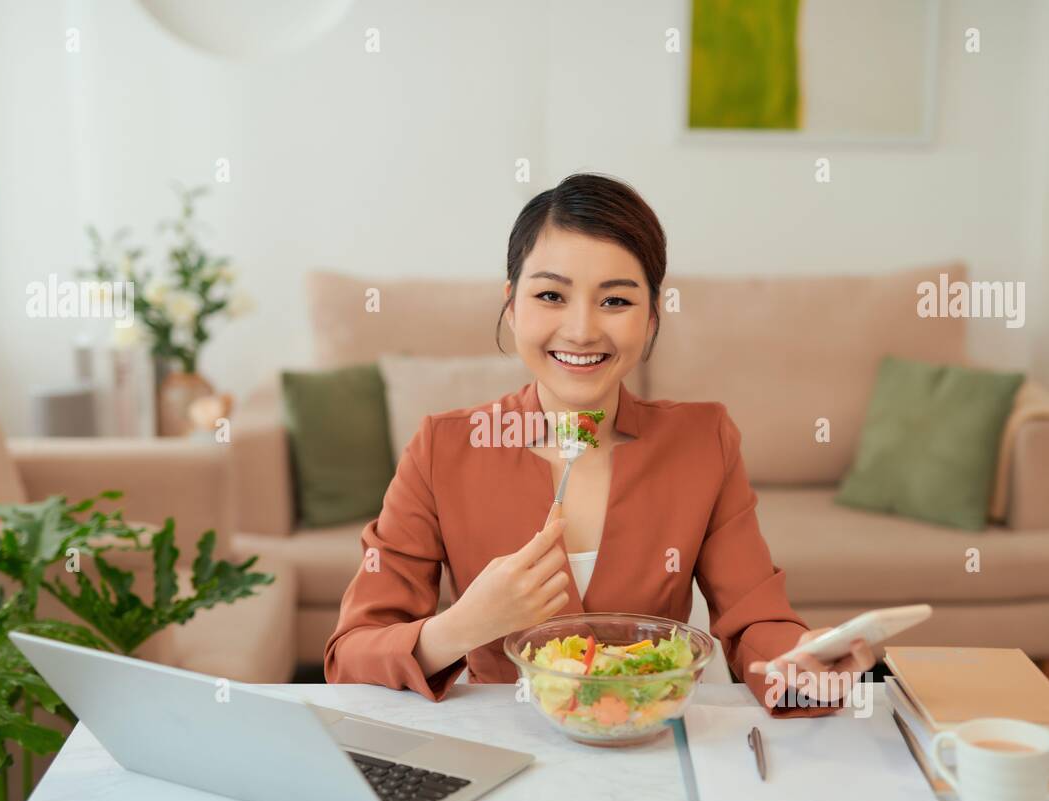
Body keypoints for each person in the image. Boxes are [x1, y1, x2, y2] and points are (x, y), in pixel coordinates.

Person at [325, 172, 873, 715]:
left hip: (653, 743)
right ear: (512, 306)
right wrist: (462, 627)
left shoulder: (704, 441)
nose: (583, 330)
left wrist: (801, 662)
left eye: (615, 301)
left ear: (653, 315)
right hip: (508, 745)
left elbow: (757, 620)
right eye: (550, 295)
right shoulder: (442, 448)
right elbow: (351, 656)